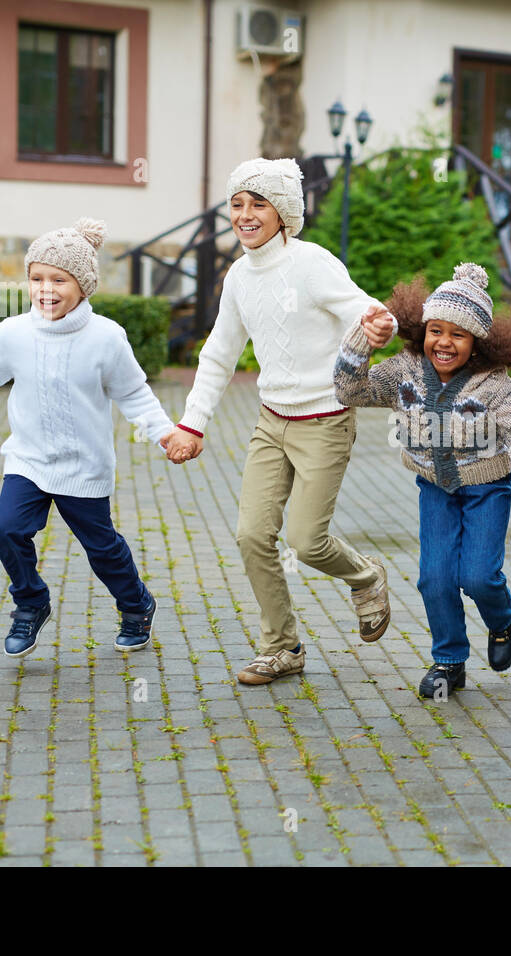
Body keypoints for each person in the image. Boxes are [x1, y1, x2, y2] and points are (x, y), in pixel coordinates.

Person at [161, 157, 393, 686]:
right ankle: (281, 647)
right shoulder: (239, 276)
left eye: (258, 203)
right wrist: (191, 424)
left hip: (325, 421)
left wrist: (379, 325)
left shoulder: (312, 264)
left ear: (284, 212)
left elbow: (366, 309)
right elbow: (219, 353)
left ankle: (365, 576)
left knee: (308, 543)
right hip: (271, 422)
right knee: (251, 535)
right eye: (237, 203)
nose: (245, 214)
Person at [0, 218, 173, 658]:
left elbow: (134, 393)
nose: (46, 289)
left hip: (84, 465)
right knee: (7, 528)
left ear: (83, 285)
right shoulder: (15, 333)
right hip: (28, 459)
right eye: (37, 278)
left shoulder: (106, 338)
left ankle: (136, 605)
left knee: (101, 548)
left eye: (58, 280)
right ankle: (31, 604)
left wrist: (165, 434)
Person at [334, 264, 511, 698]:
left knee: (477, 576)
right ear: (424, 333)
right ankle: (449, 661)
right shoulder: (405, 372)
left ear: (477, 343)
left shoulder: (493, 387)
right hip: (435, 488)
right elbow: (350, 391)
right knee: (434, 577)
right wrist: (361, 338)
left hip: (487, 489)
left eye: (458, 334)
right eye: (436, 330)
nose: (444, 342)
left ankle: (503, 616)